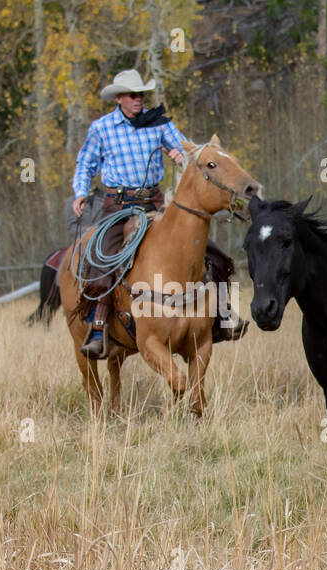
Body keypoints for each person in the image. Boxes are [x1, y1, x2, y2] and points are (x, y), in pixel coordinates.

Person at [71, 69, 244, 358]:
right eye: (133, 95)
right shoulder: (101, 128)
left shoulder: (159, 123)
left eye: (141, 94)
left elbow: (185, 148)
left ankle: (224, 316)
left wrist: (180, 154)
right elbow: (84, 164)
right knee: (103, 256)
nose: (139, 99)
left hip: (155, 204)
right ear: (119, 98)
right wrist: (80, 191)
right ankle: (99, 327)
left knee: (214, 255)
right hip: (118, 207)